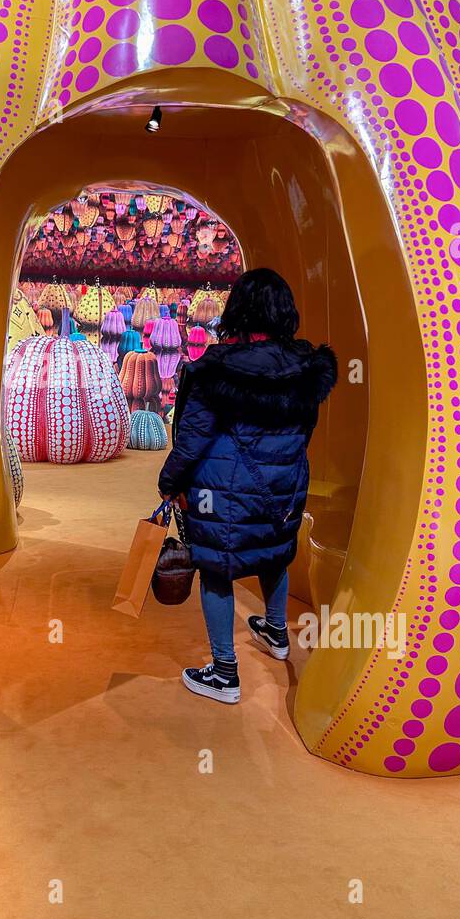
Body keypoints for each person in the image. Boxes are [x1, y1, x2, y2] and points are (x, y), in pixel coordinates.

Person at [158, 268, 337, 704]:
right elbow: (304, 433)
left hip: (222, 493)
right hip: (284, 489)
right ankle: (277, 632)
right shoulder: (307, 368)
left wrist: (169, 482)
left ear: (238, 309)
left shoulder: (215, 371)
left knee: (217, 569)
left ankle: (224, 673)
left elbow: (192, 439)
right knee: (273, 551)